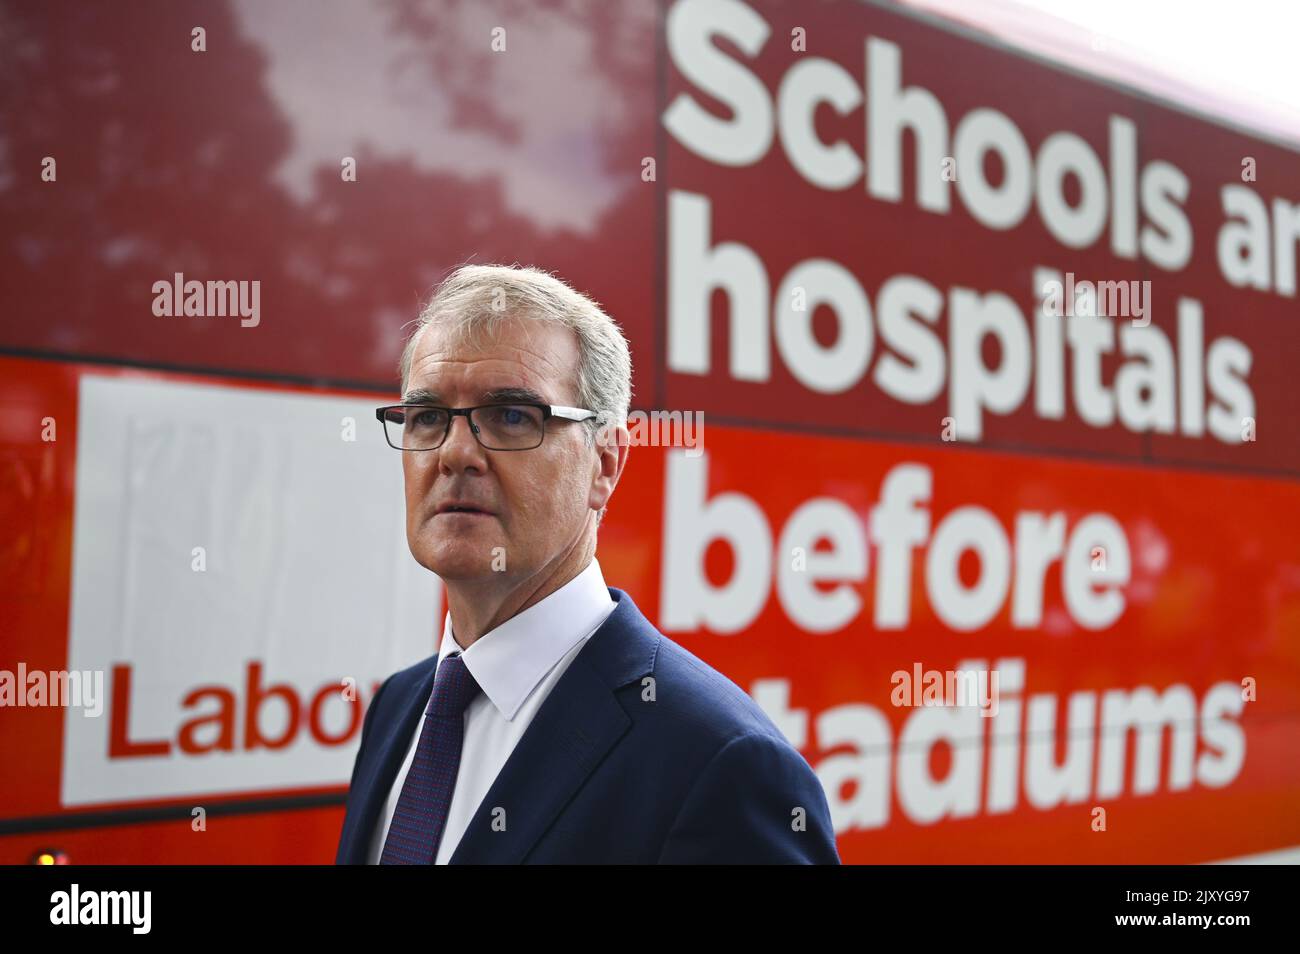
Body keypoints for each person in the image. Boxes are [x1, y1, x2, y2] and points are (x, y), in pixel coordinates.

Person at [335, 263, 840, 864]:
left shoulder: (719, 761)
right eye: (427, 418)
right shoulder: (401, 703)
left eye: (512, 416)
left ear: (605, 465)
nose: (456, 453)